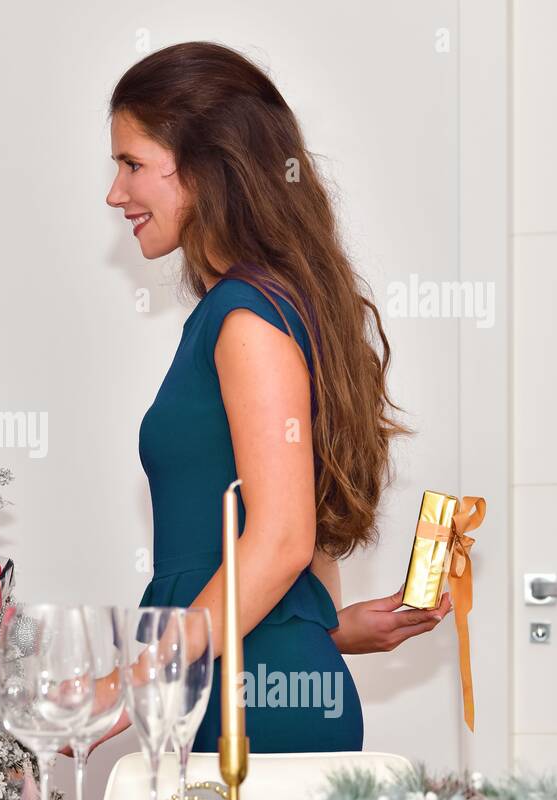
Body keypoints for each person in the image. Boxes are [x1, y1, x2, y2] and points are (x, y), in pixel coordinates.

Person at [93, 42, 452, 756]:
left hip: (242, 702)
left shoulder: (247, 316)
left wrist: (128, 685)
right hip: (249, 677)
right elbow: (284, 526)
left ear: (203, 167)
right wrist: (325, 626)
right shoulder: (266, 305)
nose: (115, 193)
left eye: (132, 163)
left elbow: (282, 539)